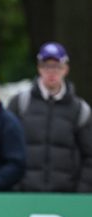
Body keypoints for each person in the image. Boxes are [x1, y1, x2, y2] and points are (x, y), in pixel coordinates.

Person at [8, 43, 92, 192]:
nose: (51, 72)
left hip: (65, 198)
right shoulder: (20, 103)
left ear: (65, 69)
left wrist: (81, 193)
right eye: (47, 66)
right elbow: (6, 149)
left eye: (57, 66)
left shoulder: (80, 110)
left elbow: (89, 156)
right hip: (23, 195)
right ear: (39, 68)